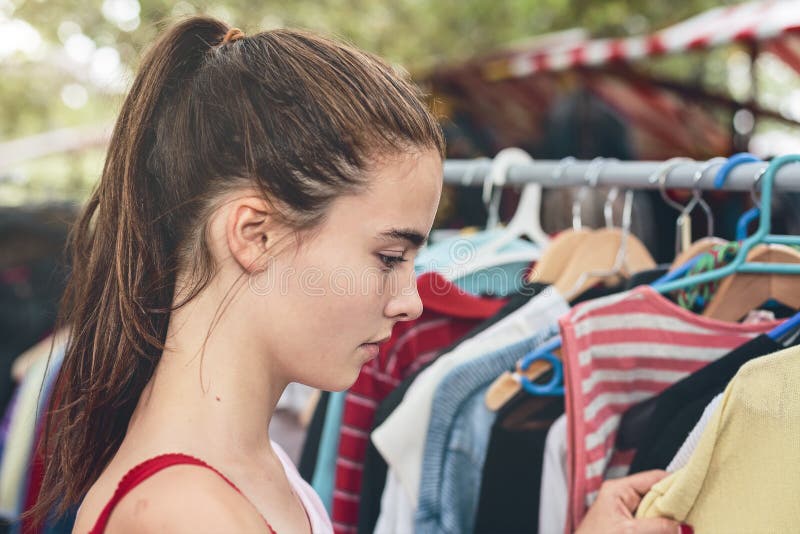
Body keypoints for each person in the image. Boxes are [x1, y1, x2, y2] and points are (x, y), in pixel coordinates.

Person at [30, 15, 691, 534]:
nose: (411, 301)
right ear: (253, 234)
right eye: (388, 257)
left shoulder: (243, 465)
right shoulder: (186, 512)